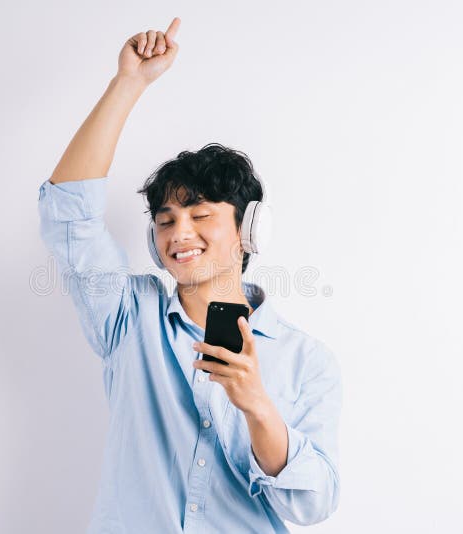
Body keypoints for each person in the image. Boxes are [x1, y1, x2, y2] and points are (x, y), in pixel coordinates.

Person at [37, 17, 342, 533]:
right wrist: (128, 83)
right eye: (165, 221)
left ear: (248, 229)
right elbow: (69, 213)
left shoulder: (305, 360)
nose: (180, 233)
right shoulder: (129, 319)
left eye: (201, 216)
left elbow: (313, 504)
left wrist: (257, 407)